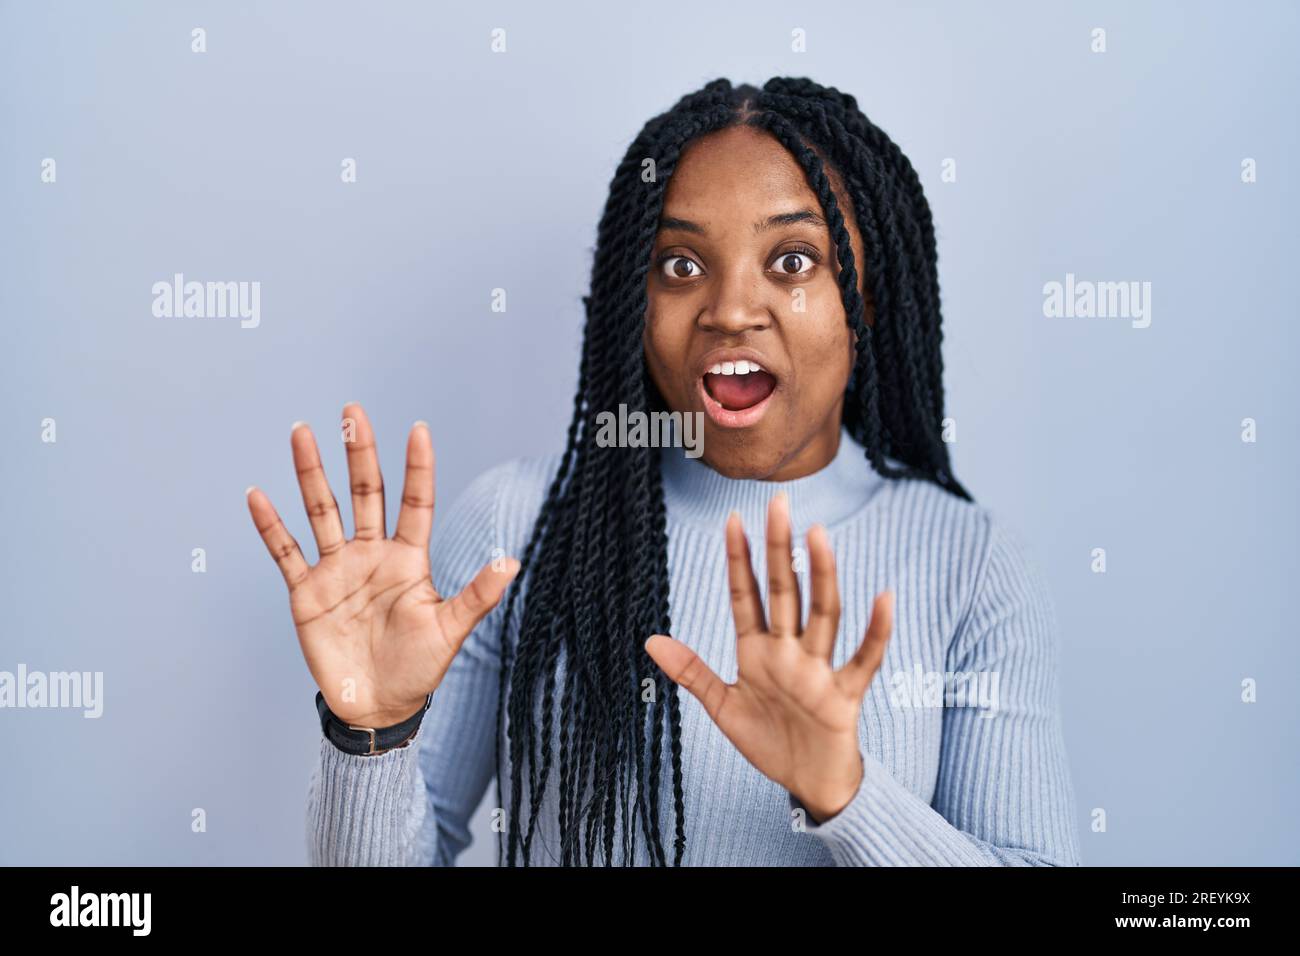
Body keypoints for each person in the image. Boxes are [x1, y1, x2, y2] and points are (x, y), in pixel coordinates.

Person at [246, 76, 1081, 867]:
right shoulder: (517, 526)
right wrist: (374, 731)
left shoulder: (970, 565)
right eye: (681, 265)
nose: (728, 308)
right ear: (632, 305)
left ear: (868, 296)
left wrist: (845, 795)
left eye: (792, 261)